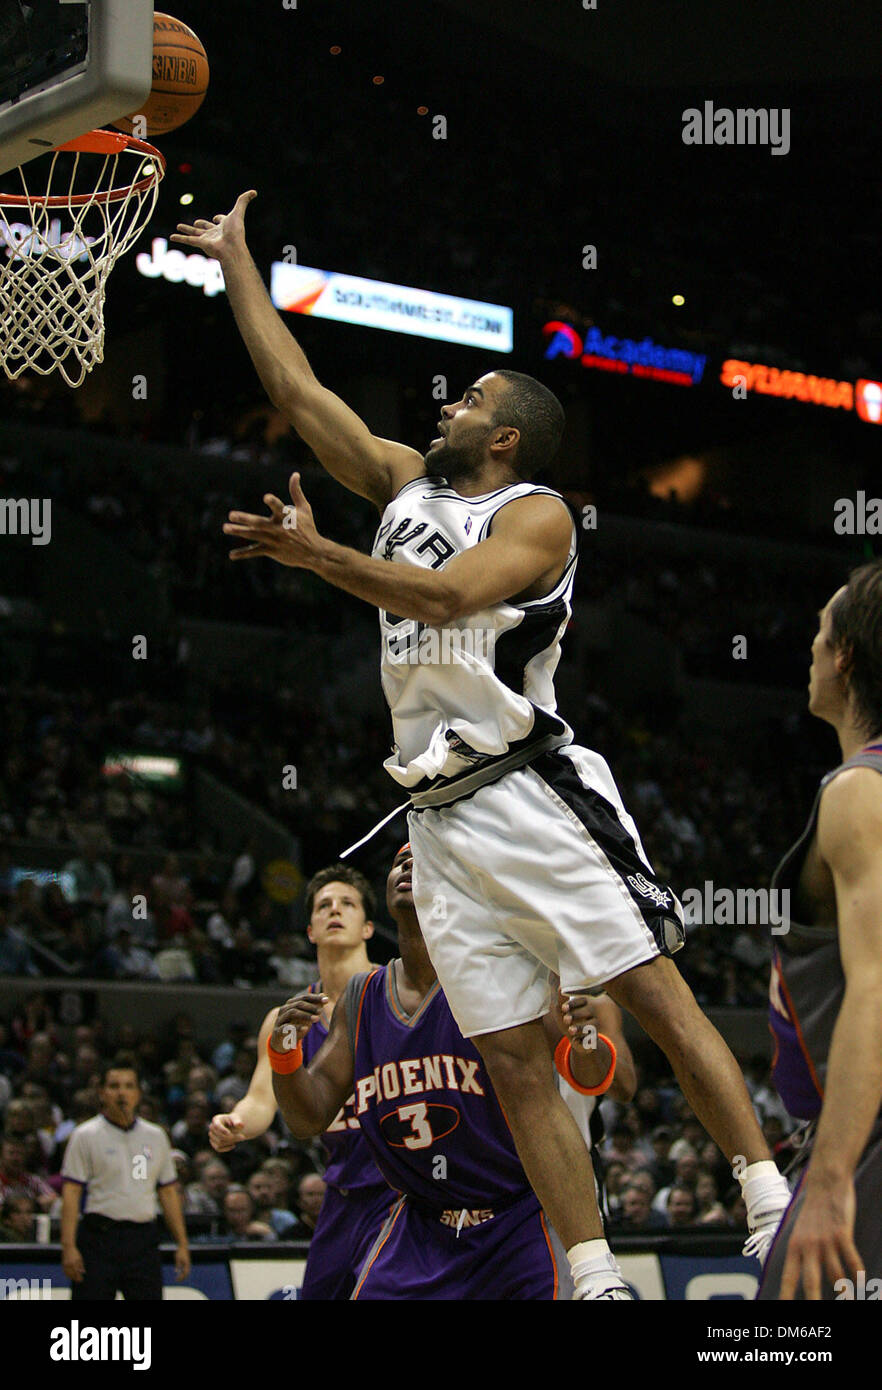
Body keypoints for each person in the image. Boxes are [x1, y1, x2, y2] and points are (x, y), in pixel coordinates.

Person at [173, 192, 791, 1295]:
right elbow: (296, 391)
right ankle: (595, 1270)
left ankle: (765, 1196)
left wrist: (318, 559)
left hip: (529, 790)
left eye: (468, 400)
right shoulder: (406, 481)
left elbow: (455, 598)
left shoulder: (538, 515)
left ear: (503, 436)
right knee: (510, 1058)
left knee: (654, 992)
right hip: (439, 816)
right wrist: (236, 265)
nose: (446, 406)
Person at [269, 845, 633, 1300]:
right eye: (398, 860)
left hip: (516, 1221)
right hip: (419, 1227)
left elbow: (592, 1078)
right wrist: (284, 1055)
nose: (406, 865)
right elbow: (307, 1117)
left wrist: (584, 1039)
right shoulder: (361, 996)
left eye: (420, 858)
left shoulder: (502, 970)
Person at [759, 565, 882, 1301]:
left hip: (864, 1151)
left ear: (844, 657)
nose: (808, 647)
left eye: (818, 630)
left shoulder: (860, 793)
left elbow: (875, 984)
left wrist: (831, 1184)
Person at [209, 862, 393, 1300]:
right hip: (342, 1189)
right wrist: (233, 1123)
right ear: (309, 930)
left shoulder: (396, 992)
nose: (335, 910)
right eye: (323, 905)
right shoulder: (285, 1020)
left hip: (400, 1185)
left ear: (368, 927)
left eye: (347, 904)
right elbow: (260, 1102)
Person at [60, 1058, 190, 1300]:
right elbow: (71, 1192)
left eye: (129, 1086)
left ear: (139, 1093)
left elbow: (168, 1192)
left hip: (143, 1239)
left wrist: (182, 1243)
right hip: (98, 1238)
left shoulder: (156, 1136)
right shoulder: (84, 1135)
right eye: (114, 1086)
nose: (122, 1093)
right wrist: (68, 1247)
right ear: (101, 1092)